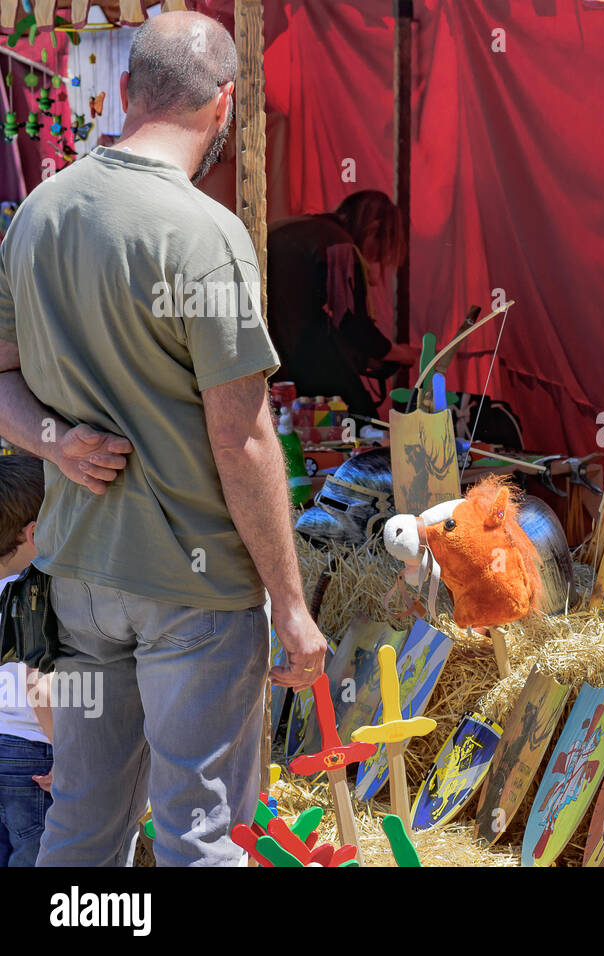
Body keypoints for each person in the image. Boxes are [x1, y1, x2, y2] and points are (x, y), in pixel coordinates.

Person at [0, 11, 326, 866]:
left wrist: (54, 441)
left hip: (75, 578)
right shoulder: (207, 236)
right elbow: (245, 438)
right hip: (194, 588)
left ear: (122, 92)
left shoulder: (38, 212)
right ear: (225, 104)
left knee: (81, 821)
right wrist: (290, 607)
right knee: (202, 832)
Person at [267, 190, 420, 418]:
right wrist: (398, 353)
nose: (375, 258)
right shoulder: (338, 243)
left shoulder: (299, 228)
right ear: (373, 230)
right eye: (379, 249)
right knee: (362, 419)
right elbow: (352, 321)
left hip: (267, 350)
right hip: (294, 354)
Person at [0, 454, 53, 867]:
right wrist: (68, 754)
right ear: (35, 533)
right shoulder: (37, 594)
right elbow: (39, 682)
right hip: (33, 753)